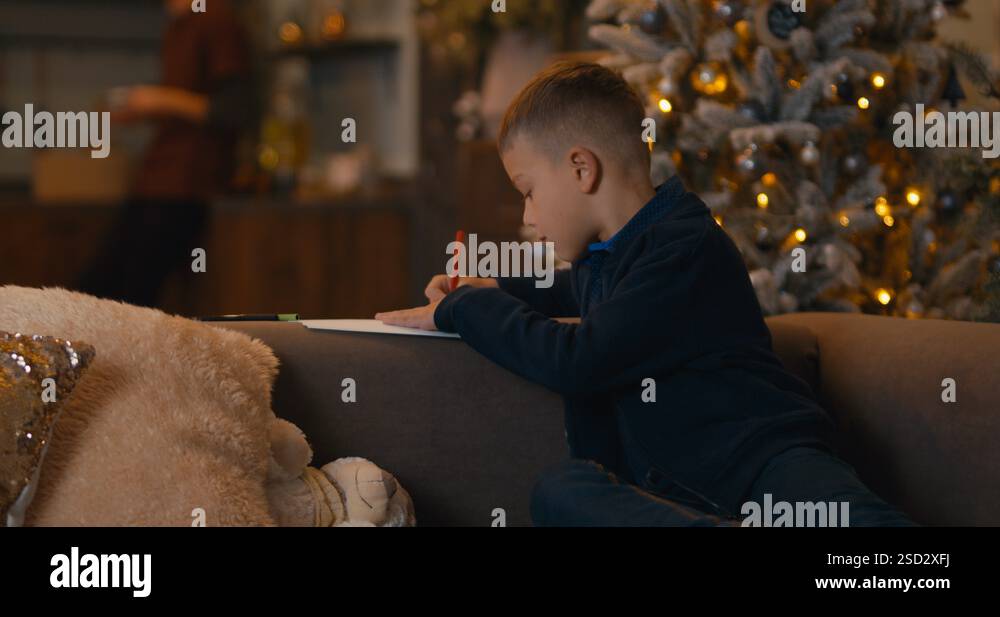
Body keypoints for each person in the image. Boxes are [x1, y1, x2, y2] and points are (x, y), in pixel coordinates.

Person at [375, 62, 917, 527]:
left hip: (764, 464)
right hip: (680, 499)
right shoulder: (608, 257)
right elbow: (569, 290)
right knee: (562, 491)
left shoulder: (682, 247)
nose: (528, 217)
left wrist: (467, 308)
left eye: (528, 192)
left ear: (581, 169)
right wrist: (486, 285)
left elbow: (580, 360)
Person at [78, 0, 252, 308]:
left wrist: (158, 100)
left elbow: (235, 110)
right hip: (156, 181)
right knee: (98, 289)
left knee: (126, 298)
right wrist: (142, 111)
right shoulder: (178, 27)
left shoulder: (215, 20)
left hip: (185, 185)